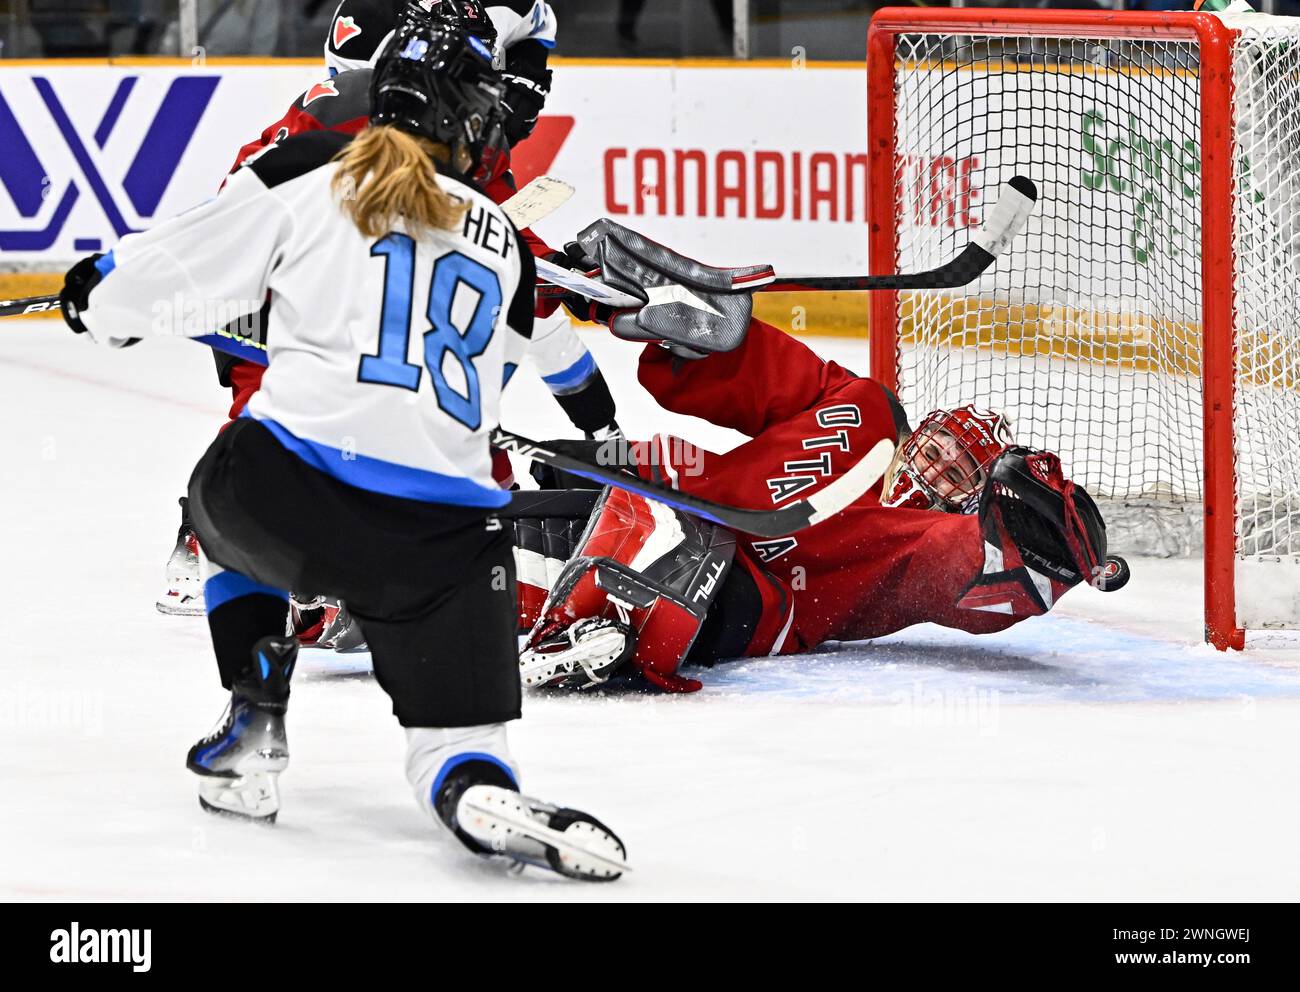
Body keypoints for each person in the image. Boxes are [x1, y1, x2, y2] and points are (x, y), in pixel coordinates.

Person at [59, 12, 626, 881]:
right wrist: (597, 409)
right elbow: (492, 375)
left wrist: (95, 300)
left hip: (290, 496)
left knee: (222, 490)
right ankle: (471, 784)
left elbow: (148, 287)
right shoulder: (507, 241)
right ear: (473, 118)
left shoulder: (302, 170)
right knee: (460, 748)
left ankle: (255, 718)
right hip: (452, 543)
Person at [157, 0, 620, 617]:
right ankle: (212, 543)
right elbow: (242, 208)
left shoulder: (469, 130)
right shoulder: (339, 113)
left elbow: (523, 284)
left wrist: (600, 414)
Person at [507, 224, 1113, 693]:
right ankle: (587, 599)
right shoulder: (865, 420)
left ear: (969, 502)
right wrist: (685, 331)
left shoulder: (923, 540)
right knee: (522, 487)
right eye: (936, 451)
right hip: (660, 501)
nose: (931, 471)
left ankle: (595, 619)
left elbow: (986, 580)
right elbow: (776, 379)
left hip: (734, 594)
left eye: (954, 474)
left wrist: (1055, 535)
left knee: (495, 552)